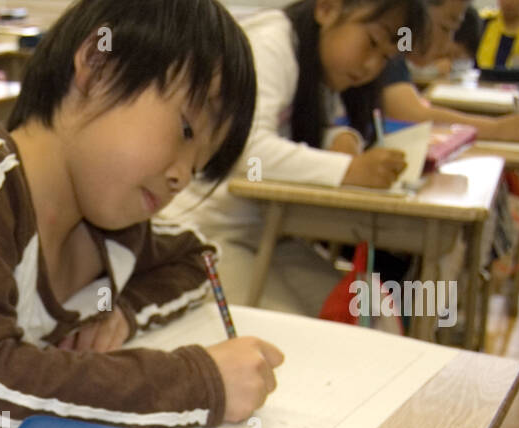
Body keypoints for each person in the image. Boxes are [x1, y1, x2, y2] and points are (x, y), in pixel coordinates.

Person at [0, 0, 283, 428]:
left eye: (199, 166)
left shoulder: (116, 231)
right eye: (186, 130)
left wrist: (126, 312)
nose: (182, 176)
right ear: (98, 64)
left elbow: (196, 261)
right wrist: (197, 382)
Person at [159, 0, 426, 317]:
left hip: (267, 234)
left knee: (374, 309)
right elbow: (249, 149)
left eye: (385, 58)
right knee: (290, 332)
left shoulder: (322, 69)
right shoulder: (272, 43)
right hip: (204, 231)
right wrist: (348, 169)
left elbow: (302, 131)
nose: (372, 66)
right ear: (327, 8)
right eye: (371, 42)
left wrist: (340, 139)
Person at [381, 0, 519, 141]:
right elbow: (410, 114)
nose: (447, 45)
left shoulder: (397, 53)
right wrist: (496, 129)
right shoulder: (387, 51)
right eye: (446, 27)